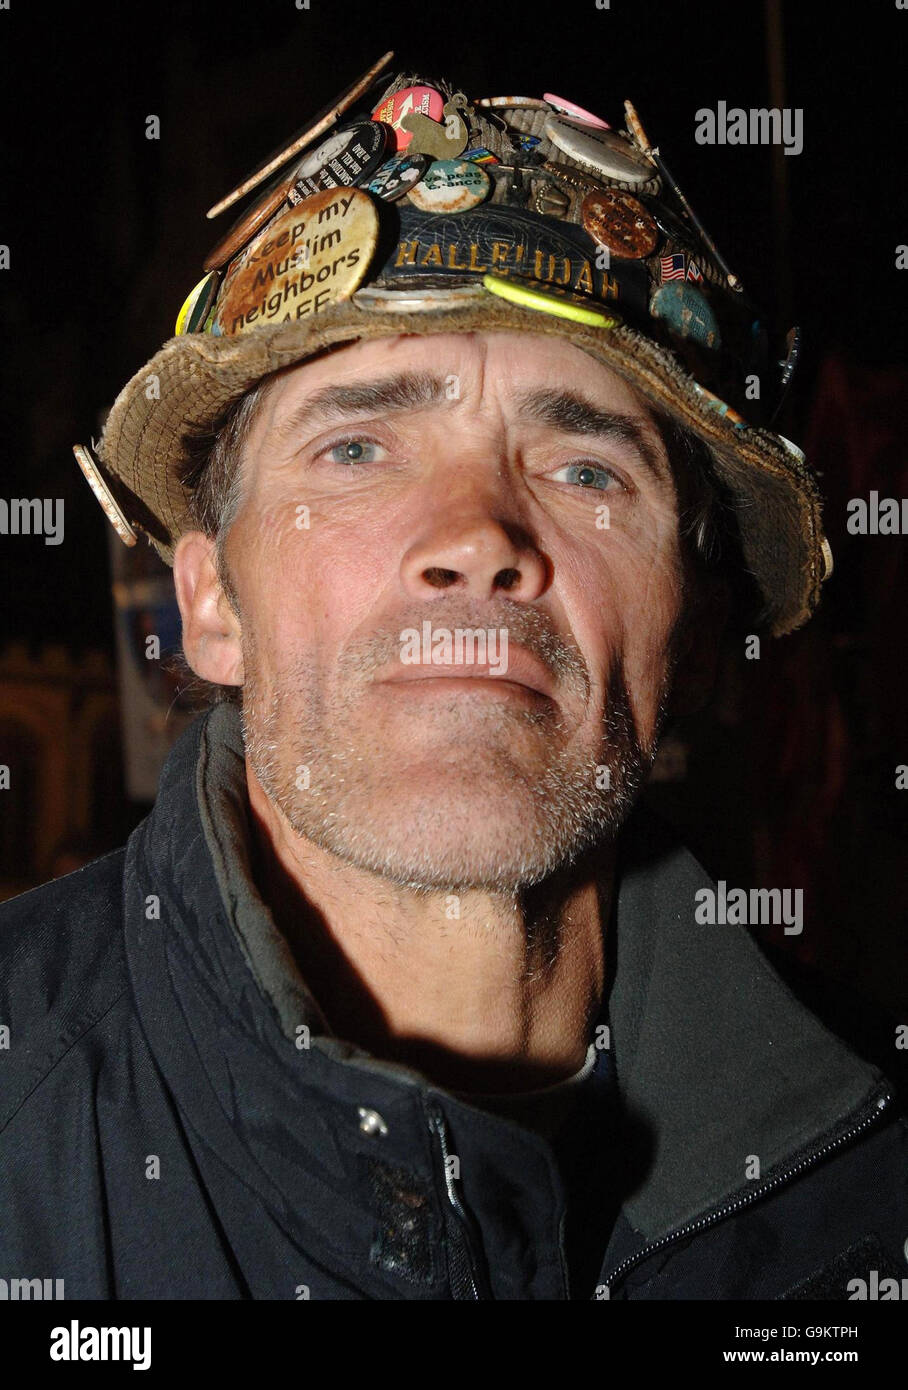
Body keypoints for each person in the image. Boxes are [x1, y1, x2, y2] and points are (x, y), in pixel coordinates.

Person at [1, 62, 905, 1301]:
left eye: (586, 470)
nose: (476, 535)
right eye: (359, 446)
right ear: (210, 604)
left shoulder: (865, 1177)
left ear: (693, 633)